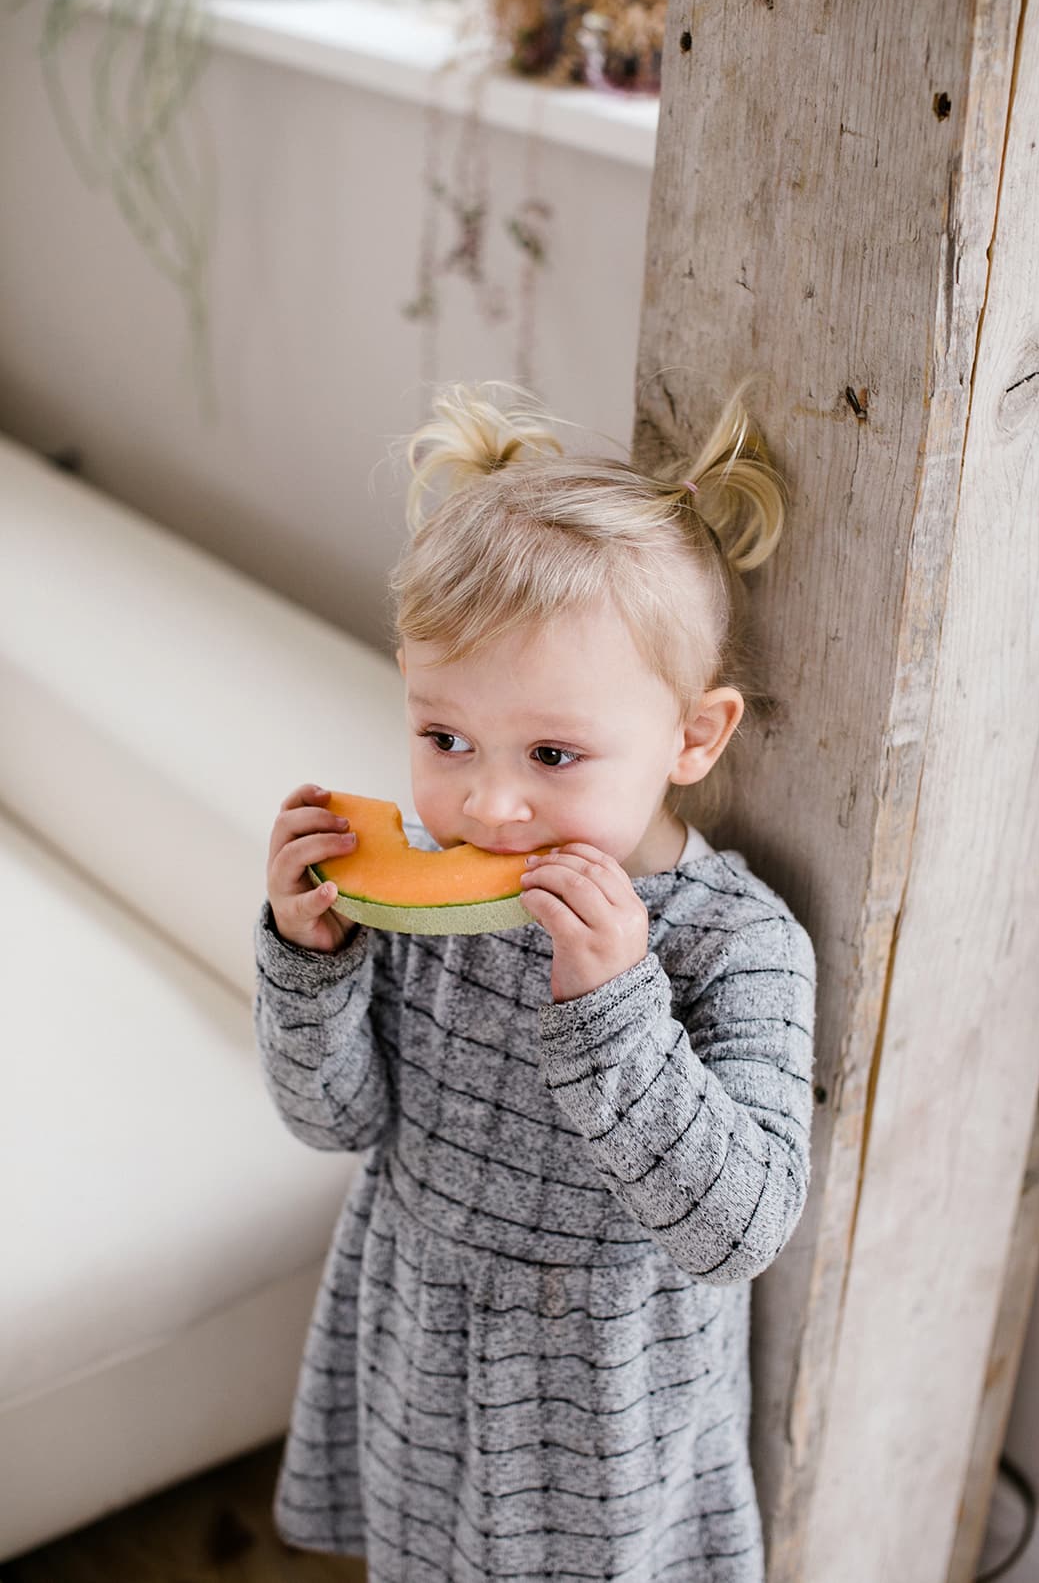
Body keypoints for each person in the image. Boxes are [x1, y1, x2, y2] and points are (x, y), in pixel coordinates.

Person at [253, 380, 816, 1583]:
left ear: (693, 738)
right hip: (425, 1329)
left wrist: (617, 1008)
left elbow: (742, 1230)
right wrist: (313, 962)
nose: (488, 804)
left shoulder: (738, 941)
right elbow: (334, 1119)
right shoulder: (425, 888)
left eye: (553, 755)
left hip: (601, 1397)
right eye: (444, 738)